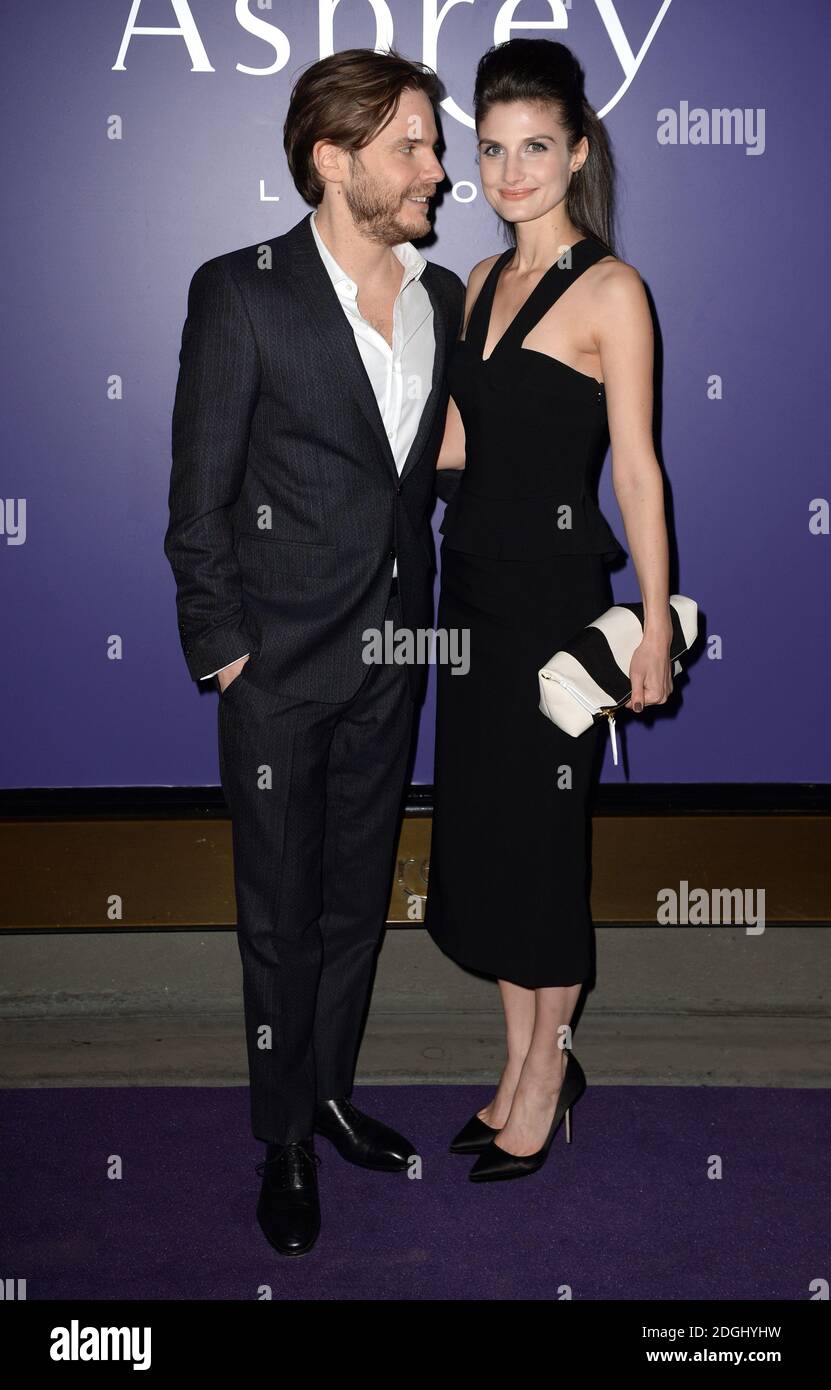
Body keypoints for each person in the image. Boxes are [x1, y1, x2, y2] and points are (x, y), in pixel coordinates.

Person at [164, 48, 464, 1253]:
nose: (442, 170)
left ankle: (331, 1090)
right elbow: (198, 501)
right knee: (279, 917)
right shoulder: (241, 291)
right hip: (279, 671)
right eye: (416, 147)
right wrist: (228, 652)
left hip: (393, 655)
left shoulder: (438, 298)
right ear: (334, 160)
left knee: (354, 904)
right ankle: (282, 1134)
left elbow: (424, 477)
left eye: (436, 147)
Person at [424, 38, 674, 1181]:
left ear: (577, 152)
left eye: (535, 148)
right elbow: (457, 454)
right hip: (467, 603)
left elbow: (637, 471)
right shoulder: (476, 284)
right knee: (490, 850)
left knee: (542, 857)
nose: (511, 171)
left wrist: (656, 622)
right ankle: (524, 1059)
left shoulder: (613, 291)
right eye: (491, 149)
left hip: (555, 619)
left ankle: (545, 1075)